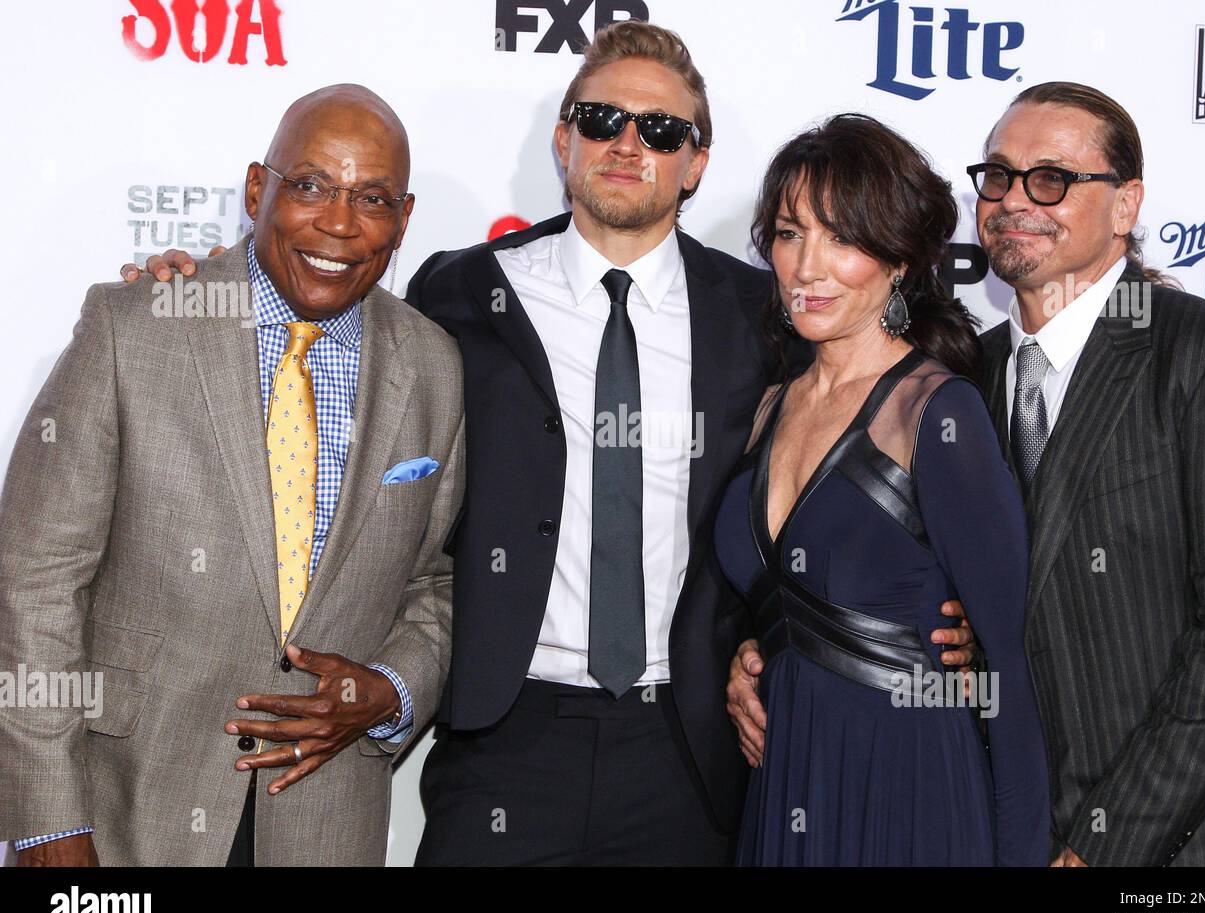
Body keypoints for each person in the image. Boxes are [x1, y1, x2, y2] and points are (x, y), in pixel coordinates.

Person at [121, 21, 979, 866]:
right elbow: (325, 331)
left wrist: (890, 630)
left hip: (691, 748)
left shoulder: (764, 314)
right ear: (565, 140)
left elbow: (840, 478)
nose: (628, 143)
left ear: (697, 162)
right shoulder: (460, 291)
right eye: (602, 120)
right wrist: (204, 287)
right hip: (505, 740)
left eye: (662, 130)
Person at [730, 82, 1205, 866]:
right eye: (997, 176)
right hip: (998, 801)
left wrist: (1105, 845)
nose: (1014, 199)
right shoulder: (968, 372)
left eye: (1052, 179)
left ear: (1126, 205)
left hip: (1191, 838)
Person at [0, 85, 466, 866]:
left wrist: (393, 685)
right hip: (124, 815)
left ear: (405, 218)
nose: (339, 223)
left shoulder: (433, 366)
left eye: (372, 198)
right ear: (258, 189)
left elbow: (439, 580)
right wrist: (48, 826)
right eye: (310, 186)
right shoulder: (135, 325)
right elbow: (33, 585)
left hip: (325, 820)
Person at [713, 114, 1050, 865]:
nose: (808, 267)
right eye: (790, 233)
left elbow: (1010, 669)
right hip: (787, 779)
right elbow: (785, 597)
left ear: (898, 259)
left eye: (844, 239)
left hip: (912, 786)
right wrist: (752, 648)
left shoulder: (937, 410)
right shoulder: (771, 405)